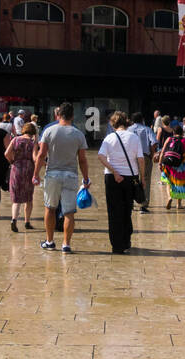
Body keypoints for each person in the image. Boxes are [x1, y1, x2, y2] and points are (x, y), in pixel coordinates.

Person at [33, 102, 91, 253]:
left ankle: (50, 241)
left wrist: (35, 174)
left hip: (52, 174)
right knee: (69, 212)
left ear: (58, 115)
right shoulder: (78, 134)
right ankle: (66, 244)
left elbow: (41, 155)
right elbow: (83, 160)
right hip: (71, 175)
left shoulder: (49, 131)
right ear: (72, 116)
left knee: (50, 208)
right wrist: (86, 179)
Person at [98, 112, 145, 255]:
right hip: (130, 177)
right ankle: (126, 241)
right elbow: (141, 160)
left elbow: (101, 156)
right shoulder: (134, 137)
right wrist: (142, 179)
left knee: (114, 212)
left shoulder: (109, 138)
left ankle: (116, 245)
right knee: (127, 210)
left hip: (112, 178)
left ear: (113, 123)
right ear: (126, 122)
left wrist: (114, 171)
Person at [7, 121, 38, 233]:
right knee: (28, 197)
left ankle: (14, 220)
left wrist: (12, 161)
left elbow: (6, 153)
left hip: (16, 169)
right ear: (33, 132)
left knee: (16, 199)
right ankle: (27, 222)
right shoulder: (33, 142)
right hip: (28, 170)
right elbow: (35, 158)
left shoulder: (15, 139)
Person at [158, 120, 185, 210]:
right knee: (179, 184)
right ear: (182, 132)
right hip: (181, 165)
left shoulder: (169, 139)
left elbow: (163, 152)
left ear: (173, 132)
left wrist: (160, 163)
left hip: (168, 163)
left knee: (168, 181)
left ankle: (169, 197)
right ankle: (178, 204)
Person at [130, 112, 155, 213]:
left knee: (132, 179)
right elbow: (153, 143)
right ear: (142, 120)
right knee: (146, 179)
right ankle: (143, 205)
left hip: (131, 157)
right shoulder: (147, 129)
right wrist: (152, 155)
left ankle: (131, 203)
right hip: (145, 157)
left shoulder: (128, 130)